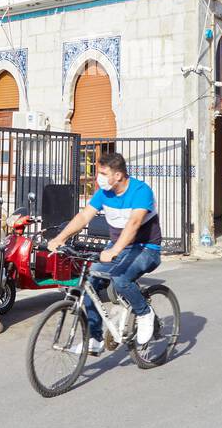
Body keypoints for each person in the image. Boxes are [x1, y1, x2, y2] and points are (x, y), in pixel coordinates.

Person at [47, 152, 161, 355]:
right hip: (119, 247)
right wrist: (60, 239)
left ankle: (145, 314)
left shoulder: (140, 191)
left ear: (117, 176)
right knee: (90, 283)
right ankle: (95, 338)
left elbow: (134, 223)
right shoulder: (103, 193)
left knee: (120, 279)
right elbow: (84, 216)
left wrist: (115, 250)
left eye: (102, 172)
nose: (97, 177)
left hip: (146, 248)